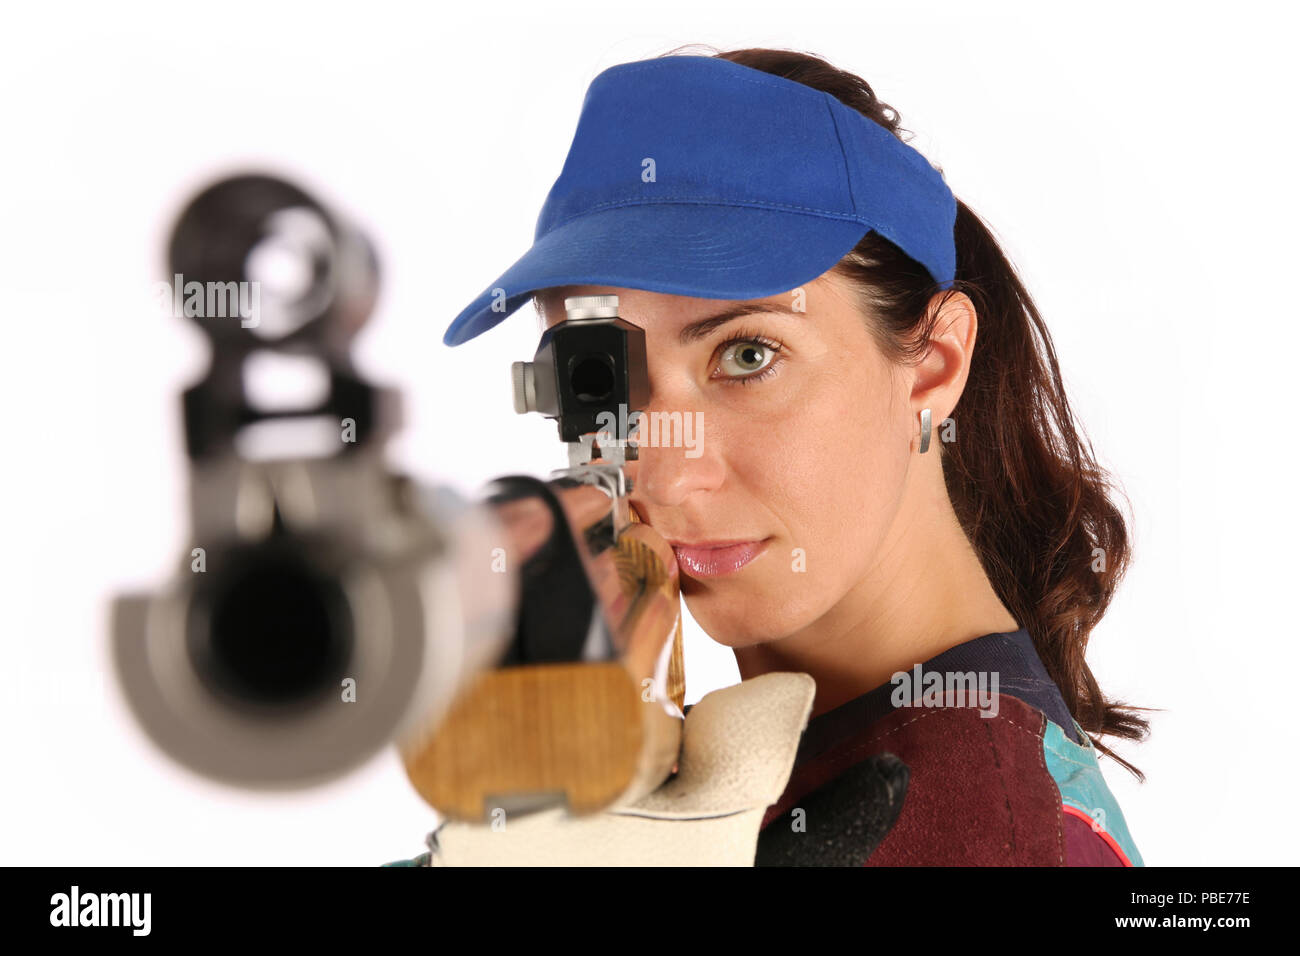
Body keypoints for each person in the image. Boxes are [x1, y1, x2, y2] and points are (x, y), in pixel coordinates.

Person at [424, 45, 1150, 866]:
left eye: (747, 356)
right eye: (601, 376)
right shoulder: (759, 786)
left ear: (935, 365)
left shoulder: (986, 822)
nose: (662, 471)